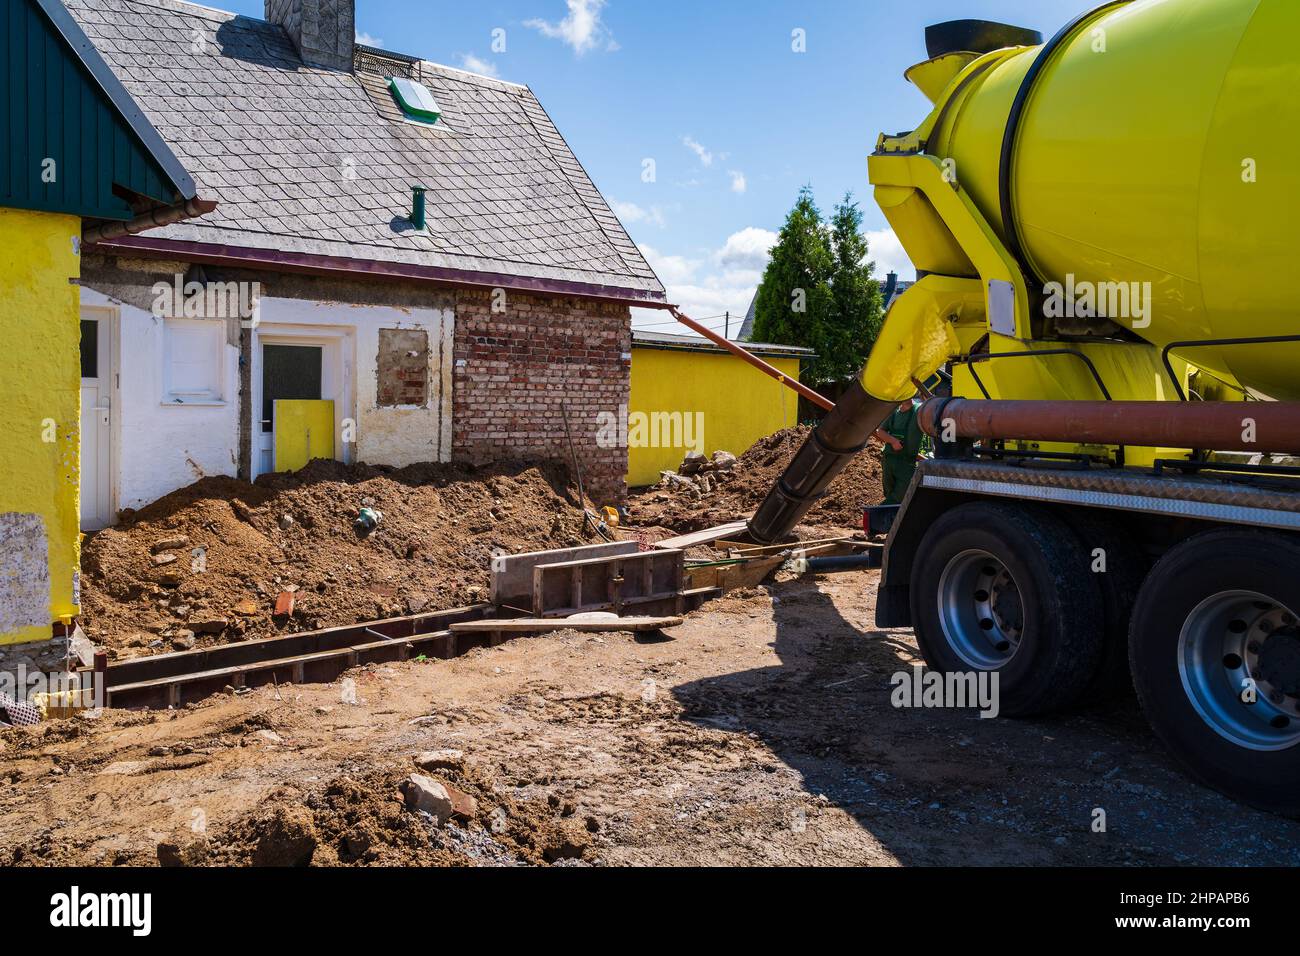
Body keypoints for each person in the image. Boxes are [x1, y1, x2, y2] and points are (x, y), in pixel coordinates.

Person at [873, 397, 925, 505]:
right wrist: (893, 441)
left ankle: (876, 514)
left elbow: (930, 408)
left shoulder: (918, 410)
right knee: (889, 493)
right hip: (888, 460)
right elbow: (880, 431)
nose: (906, 397)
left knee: (900, 497)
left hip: (906, 463)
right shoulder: (894, 413)